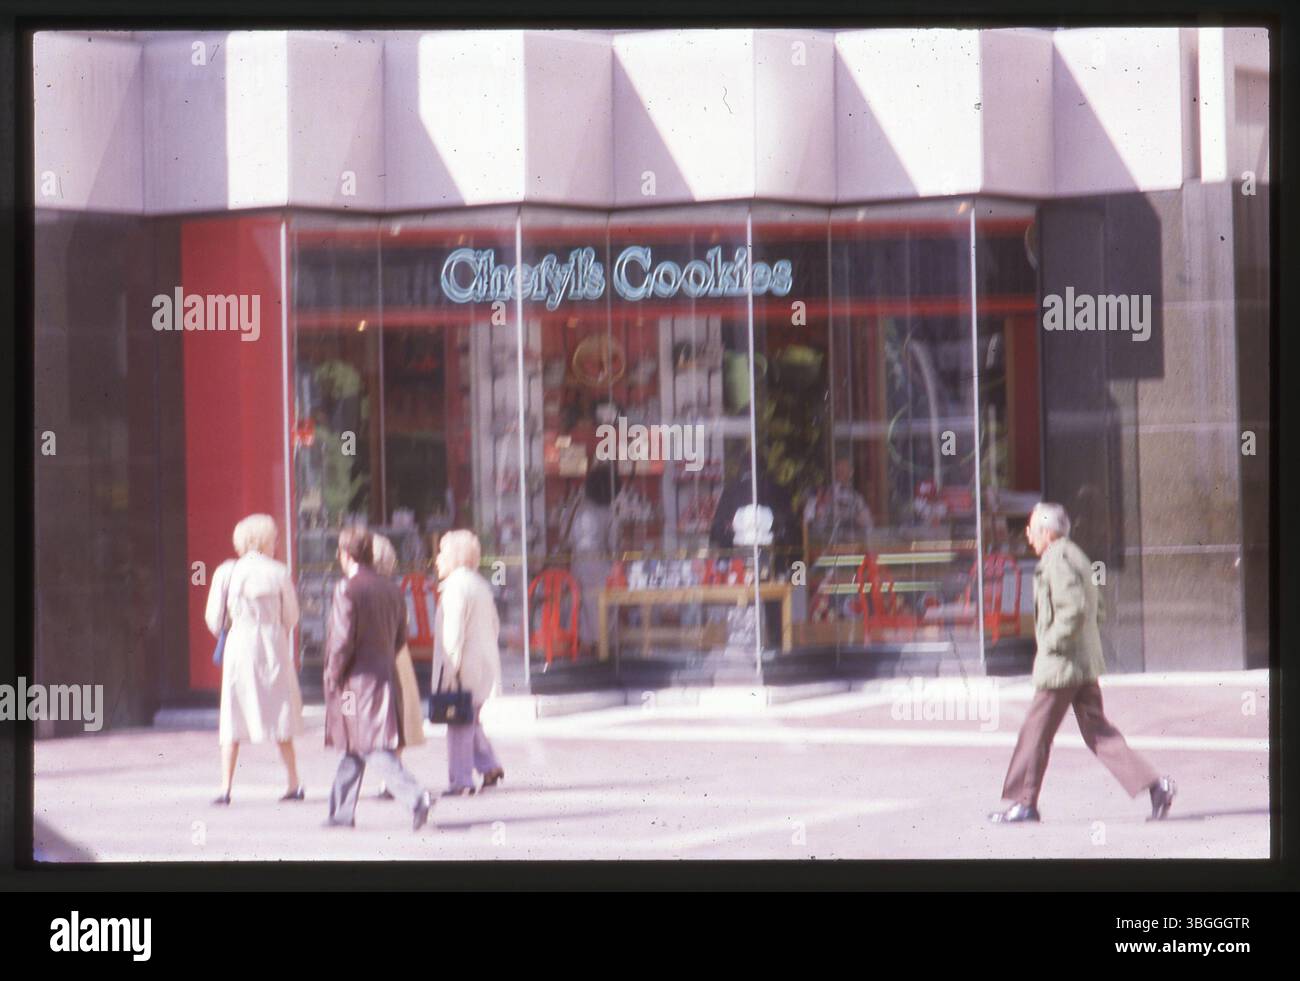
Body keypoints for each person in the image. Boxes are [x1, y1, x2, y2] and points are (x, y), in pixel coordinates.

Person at [989, 502, 1176, 824]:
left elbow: (1073, 608)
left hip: (1062, 665)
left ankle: (1025, 803)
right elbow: (1098, 608)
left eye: (1032, 530)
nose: (1029, 537)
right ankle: (1156, 786)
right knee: (1099, 733)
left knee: (1035, 732)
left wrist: (1052, 644)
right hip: (1082, 663)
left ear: (1047, 532)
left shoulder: (1056, 558)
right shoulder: (1075, 554)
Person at [323, 526, 434, 831]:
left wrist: (333, 675)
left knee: (370, 747)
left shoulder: (347, 589)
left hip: (354, 683)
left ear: (345, 554)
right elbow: (400, 639)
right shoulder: (391, 589)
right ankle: (341, 812)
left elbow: (341, 641)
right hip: (383, 676)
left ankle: (416, 796)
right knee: (353, 745)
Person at [205, 514, 305, 805]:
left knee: (233, 715)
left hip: (240, 645)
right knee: (279, 713)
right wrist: (276, 629)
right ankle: (293, 780)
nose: (276, 543)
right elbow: (292, 616)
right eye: (274, 538)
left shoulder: (226, 572)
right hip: (272, 645)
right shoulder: (278, 572)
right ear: (265, 540)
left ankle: (225, 786)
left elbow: (213, 617)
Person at [431, 529, 504, 796]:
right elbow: (494, 626)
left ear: (454, 557)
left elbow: (453, 636)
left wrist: (450, 674)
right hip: (483, 667)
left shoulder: (454, 589)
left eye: (441, 553)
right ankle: (489, 765)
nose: (437, 560)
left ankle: (460, 781)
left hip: (464, 669)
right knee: (470, 719)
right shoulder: (479, 585)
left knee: (458, 724)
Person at [370, 533, 427, 801]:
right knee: (399, 717)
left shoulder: (361, 588)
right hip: (397, 656)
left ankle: (392, 780)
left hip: (376, 659)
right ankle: (389, 778)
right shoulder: (394, 589)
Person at [566, 464, 620, 655]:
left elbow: (568, 537)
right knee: (605, 606)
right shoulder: (609, 511)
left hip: (578, 561)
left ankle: (586, 646)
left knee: (583, 607)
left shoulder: (577, 507)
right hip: (599, 562)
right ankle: (604, 647)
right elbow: (614, 543)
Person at [803, 457, 873, 544]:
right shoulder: (819, 494)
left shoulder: (856, 498)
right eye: (837, 470)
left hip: (850, 547)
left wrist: (860, 522)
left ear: (851, 473)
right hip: (822, 546)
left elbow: (868, 526)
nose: (840, 474)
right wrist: (819, 509)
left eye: (844, 470)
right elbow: (807, 524)